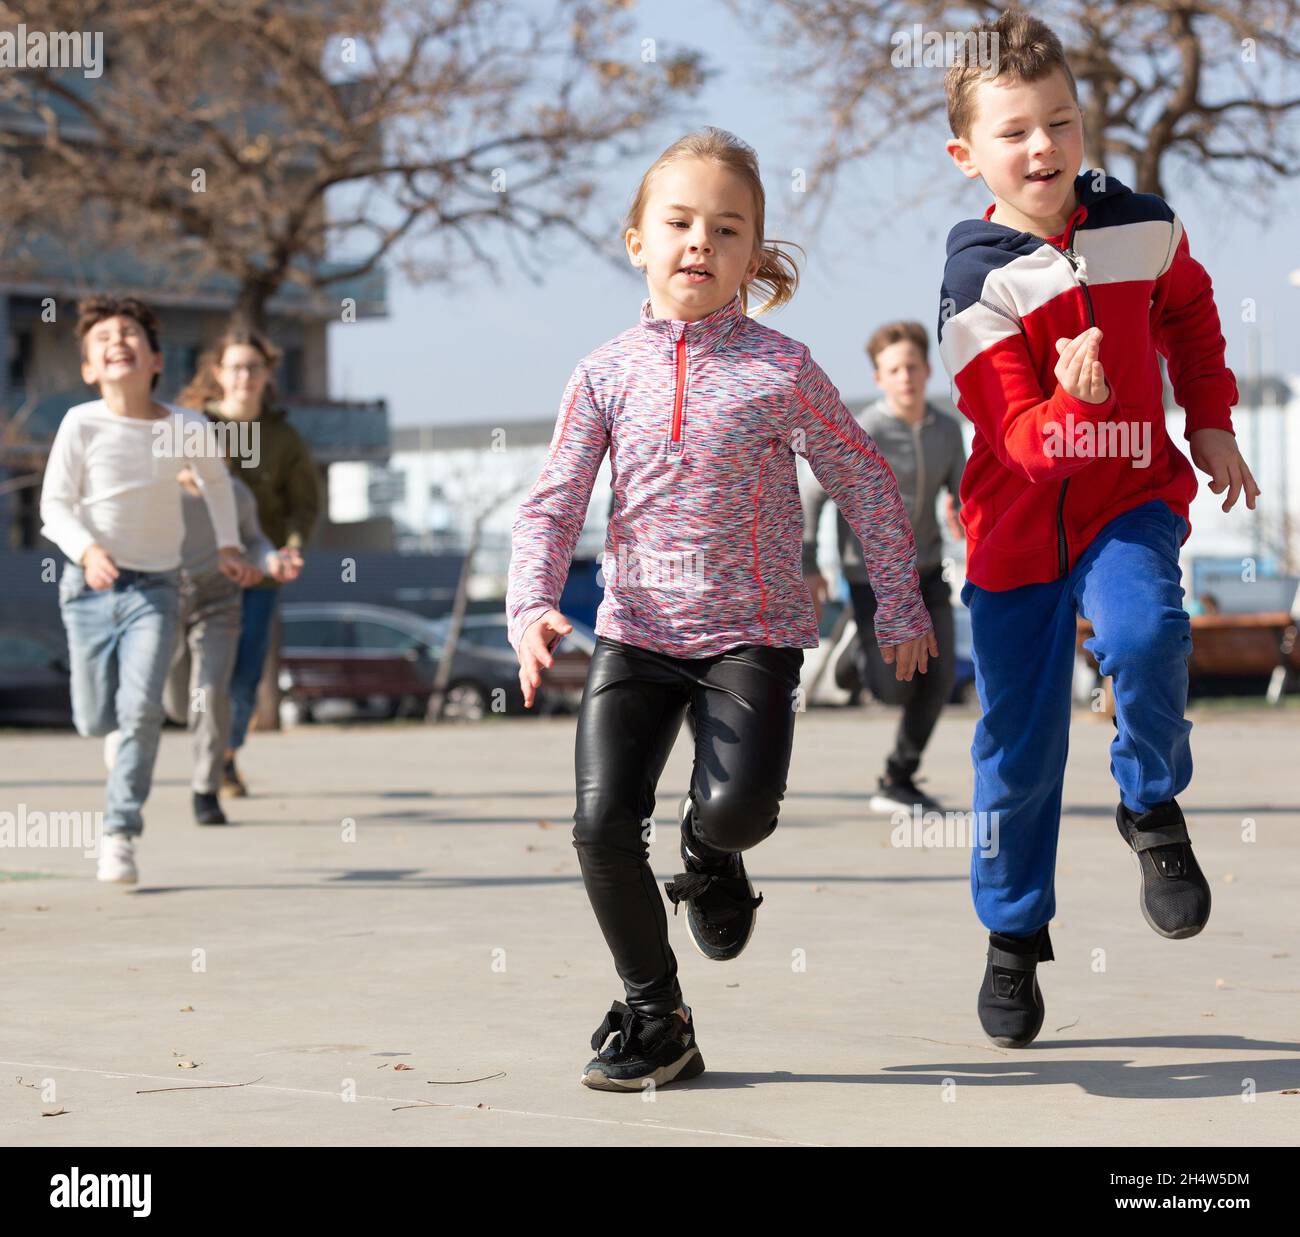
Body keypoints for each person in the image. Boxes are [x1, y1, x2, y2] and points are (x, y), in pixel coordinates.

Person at [506, 127, 936, 1091]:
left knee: (738, 808)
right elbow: (554, 498)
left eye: (727, 228)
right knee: (600, 824)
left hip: (752, 635)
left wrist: (901, 603)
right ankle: (656, 1013)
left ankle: (709, 851)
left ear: (754, 256)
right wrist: (531, 600)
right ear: (638, 240)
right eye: (680, 222)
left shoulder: (781, 368)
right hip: (636, 634)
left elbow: (865, 479)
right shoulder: (604, 371)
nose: (701, 242)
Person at [938, 11, 1260, 1048]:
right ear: (967, 156)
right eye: (1016, 131)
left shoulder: (1141, 223)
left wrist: (1208, 419)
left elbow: (1190, 314)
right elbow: (1024, 443)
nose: (1043, 148)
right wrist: (1075, 402)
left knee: (1146, 635)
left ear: (1084, 126)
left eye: (1061, 123)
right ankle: (1012, 934)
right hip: (1015, 533)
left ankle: (1150, 803)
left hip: (1129, 497)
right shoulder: (973, 285)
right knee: (1016, 751)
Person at [39, 295, 243, 884]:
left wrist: (228, 544)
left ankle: (120, 832)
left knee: (142, 709)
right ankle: (122, 739)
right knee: (91, 716)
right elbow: (53, 504)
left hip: (156, 588)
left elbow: (217, 485)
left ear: (156, 359)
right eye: (103, 338)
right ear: (87, 366)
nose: (117, 342)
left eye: (130, 334)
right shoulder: (81, 422)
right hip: (87, 587)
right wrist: (88, 550)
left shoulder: (186, 427)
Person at [801, 321, 966, 814]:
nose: (906, 377)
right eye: (894, 369)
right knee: (894, 688)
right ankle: (855, 664)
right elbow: (811, 493)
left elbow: (963, 489)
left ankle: (899, 777)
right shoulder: (861, 431)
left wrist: (966, 510)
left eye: (913, 367)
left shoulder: (947, 430)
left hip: (929, 569)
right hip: (870, 577)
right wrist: (809, 564)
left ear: (927, 371)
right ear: (879, 378)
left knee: (938, 678)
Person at [177, 327, 318, 798]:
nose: (245, 376)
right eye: (235, 367)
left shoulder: (283, 436)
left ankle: (223, 757)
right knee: (193, 677)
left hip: (258, 571)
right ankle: (208, 752)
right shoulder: (195, 425)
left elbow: (304, 504)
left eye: (254, 367)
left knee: (245, 673)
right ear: (218, 373)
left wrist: (292, 545)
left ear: (267, 374)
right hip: (196, 571)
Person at [165, 469, 300, 825]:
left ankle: (205, 788)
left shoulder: (235, 493)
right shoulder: (156, 490)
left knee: (209, 693)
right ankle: (189, 725)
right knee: (180, 705)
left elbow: (252, 541)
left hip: (218, 601)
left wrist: (271, 561)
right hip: (165, 598)